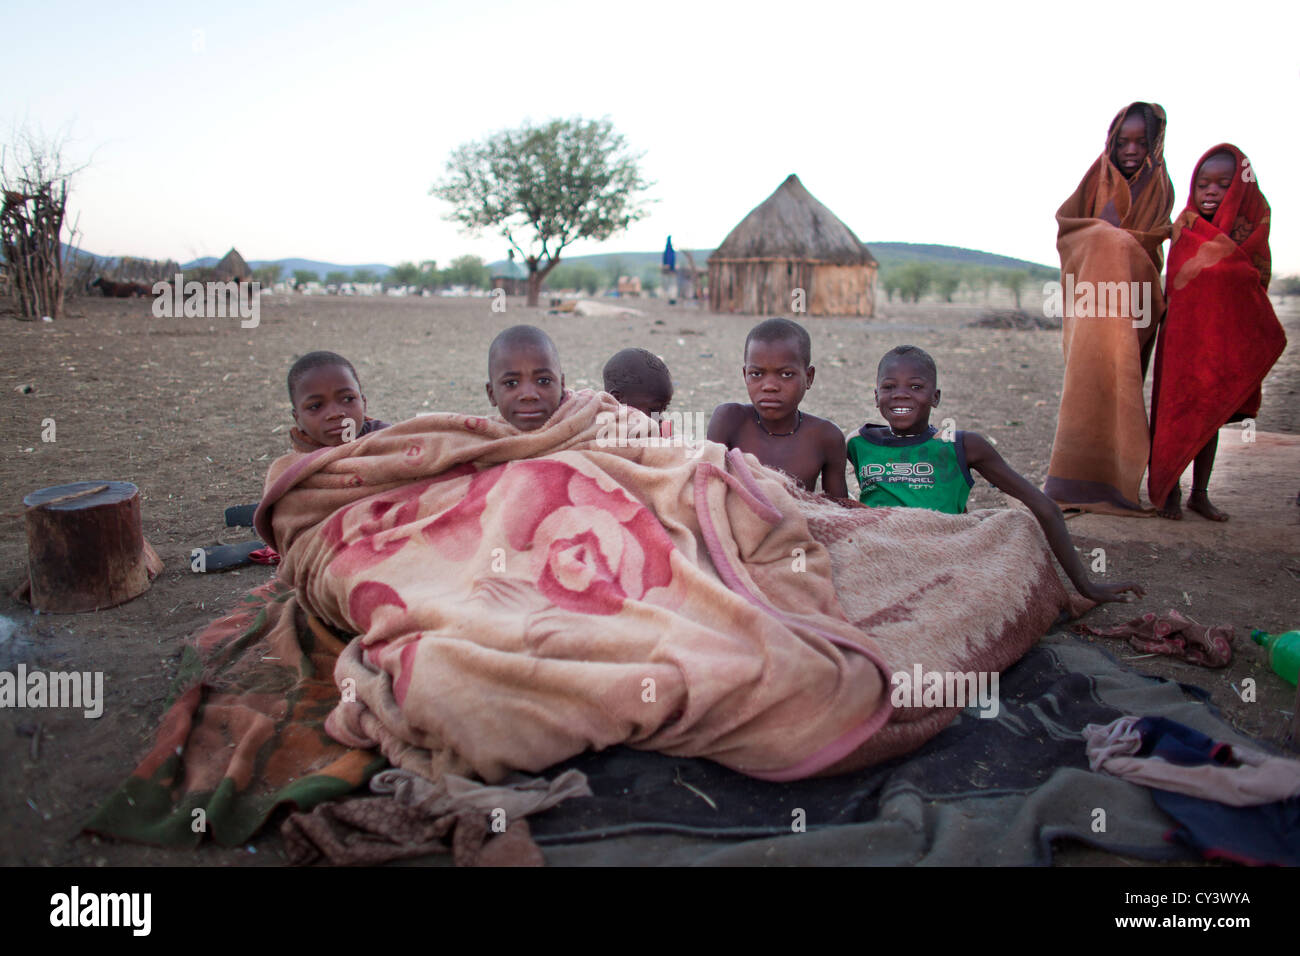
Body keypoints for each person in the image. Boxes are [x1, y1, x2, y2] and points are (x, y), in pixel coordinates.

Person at [850, 345, 1142, 605]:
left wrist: (1087, 586)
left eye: (915, 387)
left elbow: (1044, 508)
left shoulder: (960, 445)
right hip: (880, 557)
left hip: (940, 557)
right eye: (889, 387)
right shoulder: (857, 443)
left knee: (1016, 524)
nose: (900, 394)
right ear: (876, 396)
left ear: (935, 397)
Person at [1044, 102, 1174, 515]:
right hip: (1091, 305)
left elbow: (1152, 243)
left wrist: (1121, 248)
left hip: (1132, 305)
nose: (1130, 149)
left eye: (1141, 141)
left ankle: (1116, 483)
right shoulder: (1095, 180)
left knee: (1122, 384)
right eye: (1123, 141)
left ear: (1156, 143)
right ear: (1111, 142)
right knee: (1086, 383)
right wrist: (1104, 240)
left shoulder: (1161, 187)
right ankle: (1073, 482)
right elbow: (1069, 230)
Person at [1149, 145, 1287, 520]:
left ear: (1240, 188)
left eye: (1223, 185)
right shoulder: (1186, 227)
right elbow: (1179, 285)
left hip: (1222, 342)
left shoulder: (1254, 228)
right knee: (1174, 414)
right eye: (1203, 184)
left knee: (1209, 415)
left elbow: (1253, 283)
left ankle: (1200, 493)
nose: (1210, 191)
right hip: (1182, 341)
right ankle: (1169, 492)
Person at [706, 317, 848, 497]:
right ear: (745, 375)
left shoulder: (826, 437)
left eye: (786, 374)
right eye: (756, 374)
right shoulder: (729, 420)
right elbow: (708, 493)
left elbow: (841, 512)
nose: (769, 386)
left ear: (809, 377)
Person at [287, 350, 389, 451]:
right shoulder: (298, 463)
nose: (335, 414)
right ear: (297, 419)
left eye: (348, 399)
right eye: (316, 406)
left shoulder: (389, 439)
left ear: (364, 404)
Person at [486, 325, 566, 431]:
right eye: (511, 383)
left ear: (562, 386)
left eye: (543, 381)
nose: (529, 395)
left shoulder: (589, 427)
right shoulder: (477, 441)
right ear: (491, 394)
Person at [602, 347, 673, 418]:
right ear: (616, 399)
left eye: (664, 410)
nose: (659, 418)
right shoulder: (596, 426)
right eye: (653, 410)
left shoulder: (654, 426)